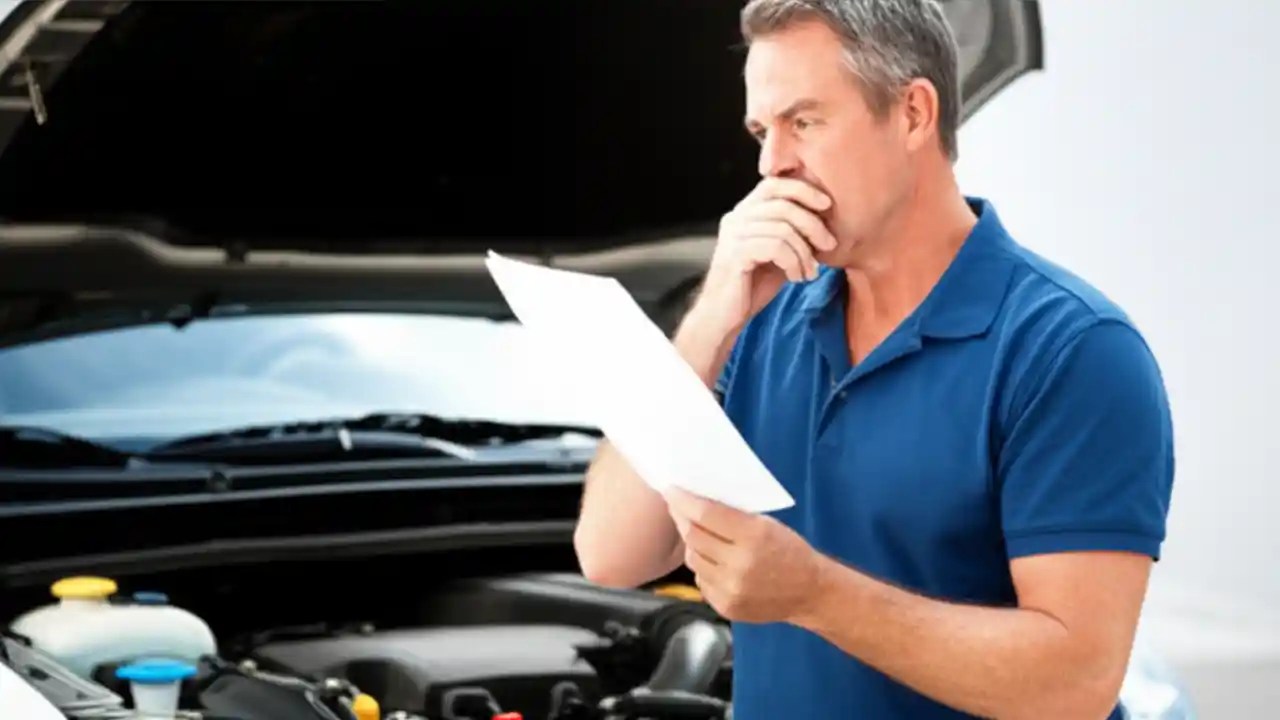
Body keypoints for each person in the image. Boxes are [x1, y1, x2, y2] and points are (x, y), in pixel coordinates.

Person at [573, 1, 1175, 718]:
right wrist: (710, 320)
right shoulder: (762, 323)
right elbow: (611, 554)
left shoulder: (1073, 350)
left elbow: (1074, 686)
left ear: (913, 114)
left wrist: (813, 593)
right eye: (762, 132)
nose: (771, 164)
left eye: (804, 121)